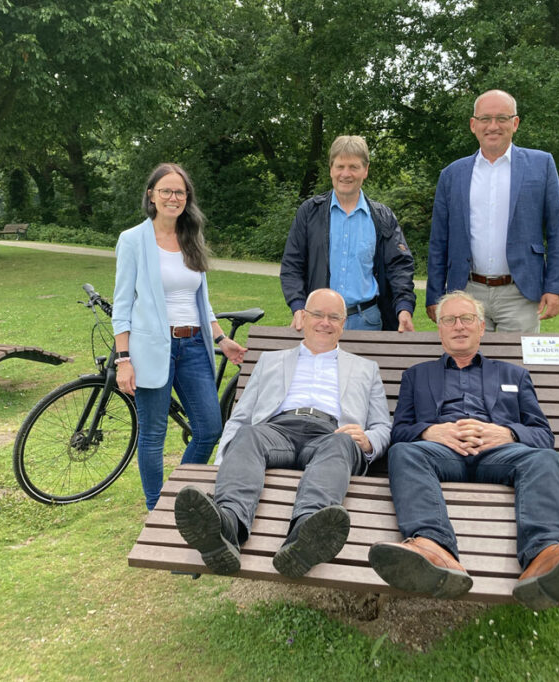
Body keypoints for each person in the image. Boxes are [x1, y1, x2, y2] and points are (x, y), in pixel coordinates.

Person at [368, 291, 559, 609]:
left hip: (499, 457)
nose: (458, 326)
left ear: (482, 327)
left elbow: (543, 435)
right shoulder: (417, 375)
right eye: (449, 320)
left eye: (467, 319)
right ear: (440, 330)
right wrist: (432, 430)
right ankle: (434, 549)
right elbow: (400, 432)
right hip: (440, 454)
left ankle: (545, 557)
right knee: (404, 453)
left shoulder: (513, 375)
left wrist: (506, 432)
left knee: (544, 459)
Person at [173, 289, 391, 578]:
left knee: (341, 442)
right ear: (303, 316)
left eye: (334, 317)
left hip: (332, 434)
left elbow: (382, 426)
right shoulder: (271, 361)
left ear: (343, 323)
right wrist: (220, 464)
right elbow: (241, 417)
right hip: (277, 430)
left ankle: (305, 537)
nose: (325, 322)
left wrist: (369, 441)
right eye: (318, 315)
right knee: (249, 434)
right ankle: (227, 527)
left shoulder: (366, 369)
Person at [112, 163, 246, 510]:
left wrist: (220, 338)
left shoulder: (192, 237)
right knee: (153, 435)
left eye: (180, 192)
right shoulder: (132, 240)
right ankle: (157, 509)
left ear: (187, 198)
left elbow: (201, 300)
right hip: (151, 349)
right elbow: (123, 304)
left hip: (194, 347)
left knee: (209, 428)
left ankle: (179, 497)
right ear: (151, 195)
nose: (173, 197)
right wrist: (123, 359)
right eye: (166, 191)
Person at [426, 90, 559, 333]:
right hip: (466, 293)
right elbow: (439, 240)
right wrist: (434, 295)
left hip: (521, 295)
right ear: (473, 125)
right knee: (467, 368)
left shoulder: (541, 165)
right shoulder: (452, 174)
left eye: (502, 118)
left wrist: (555, 287)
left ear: (515, 123)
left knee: (515, 369)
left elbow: (558, 231)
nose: (493, 126)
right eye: (485, 119)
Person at [281, 135, 416, 333]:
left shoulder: (382, 216)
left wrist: (404, 307)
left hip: (367, 322)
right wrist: (298, 305)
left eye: (354, 167)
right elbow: (292, 265)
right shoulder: (310, 212)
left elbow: (400, 266)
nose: (346, 174)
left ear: (366, 170)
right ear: (331, 169)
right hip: (318, 322)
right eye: (340, 166)